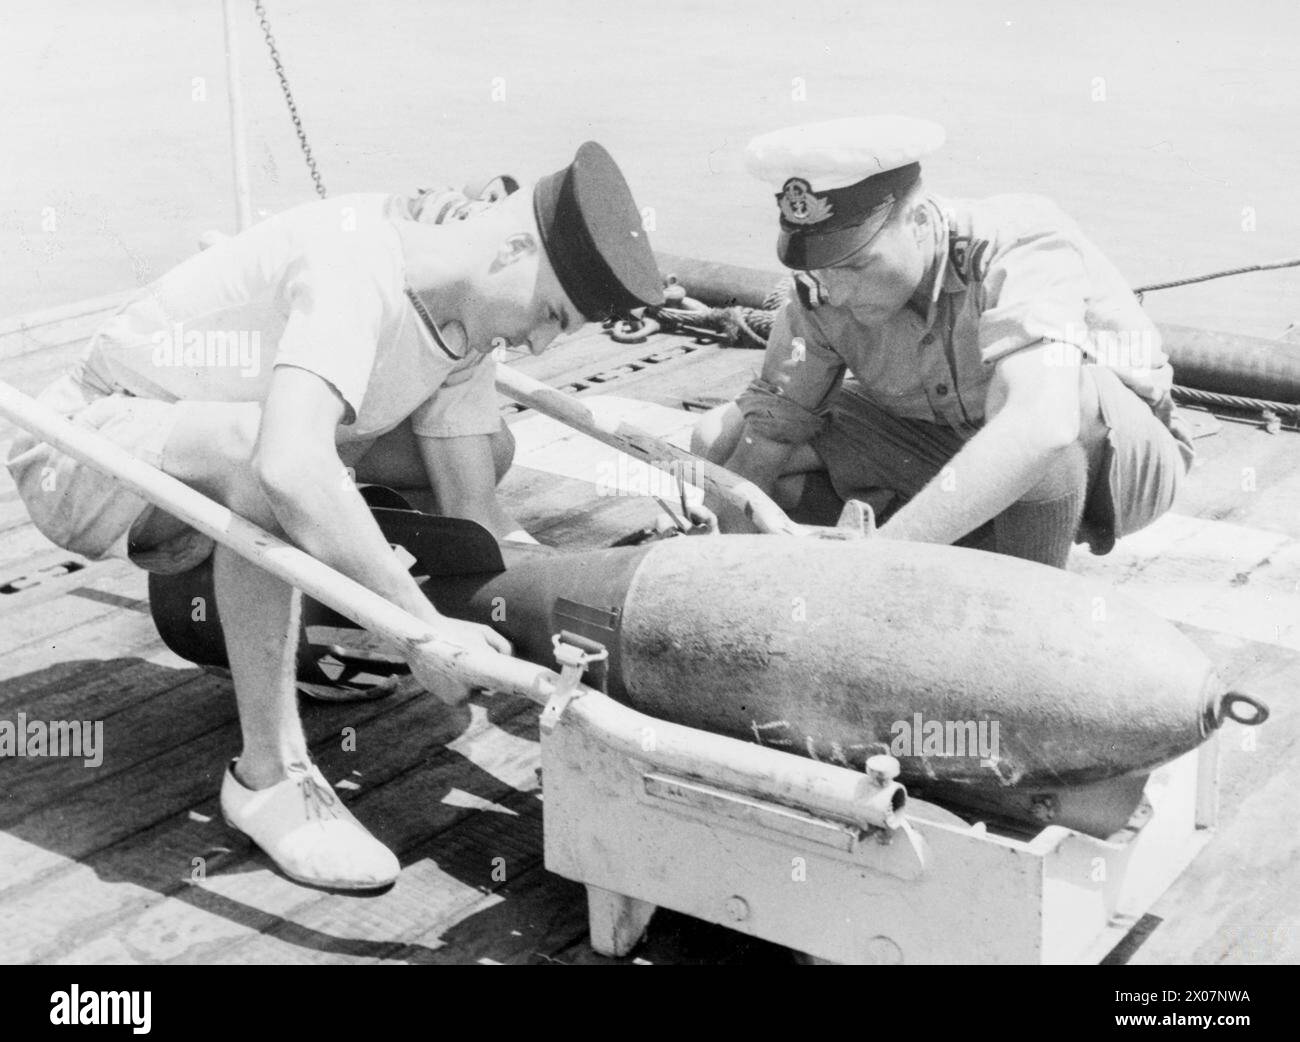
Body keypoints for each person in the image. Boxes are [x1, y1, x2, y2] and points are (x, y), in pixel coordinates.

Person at [6, 142, 662, 891]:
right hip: (88, 448)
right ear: (514, 246)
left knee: (487, 447)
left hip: (212, 452)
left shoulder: (461, 316)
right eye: (552, 314)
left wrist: (539, 640)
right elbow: (288, 464)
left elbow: (471, 508)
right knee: (274, 456)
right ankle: (267, 777)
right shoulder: (358, 261)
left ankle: (312, 634)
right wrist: (418, 631)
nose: (542, 342)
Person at [693, 116, 1194, 568]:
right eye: (821, 269)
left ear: (918, 220)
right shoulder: (822, 287)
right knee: (723, 436)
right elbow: (771, 435)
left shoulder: (1019, 242)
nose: (837, 291)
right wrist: (727, 534)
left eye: (856, 265)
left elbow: (1043, 426)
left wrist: (880, 560)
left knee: (1046, 403)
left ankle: (1026, 591)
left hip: (1118, 468)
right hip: (951, 444)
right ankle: (964, 554)